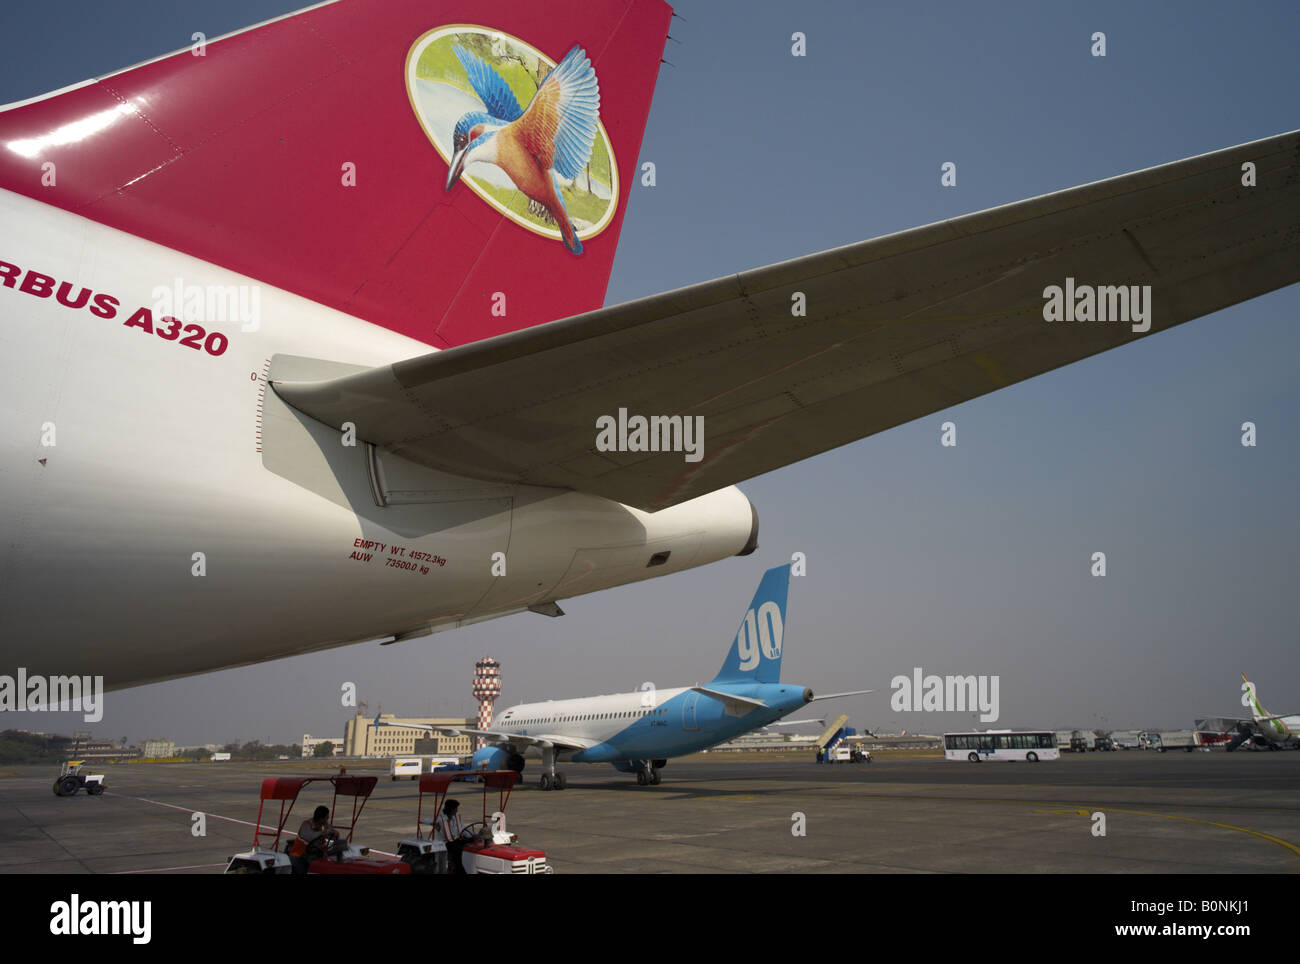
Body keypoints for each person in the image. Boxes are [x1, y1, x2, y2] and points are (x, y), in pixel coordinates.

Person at [289, 805, 338, 873]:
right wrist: (323, 832)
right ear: (320, 818)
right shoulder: (306, 824)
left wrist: (334, 833)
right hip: (299, 856)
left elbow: (330, 831)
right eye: (326, 817)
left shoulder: (324, 825)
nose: (327, 819)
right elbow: (309, 837)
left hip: (313, 857)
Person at [437, 798, 473, 874]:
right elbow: (450, 837)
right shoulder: (441, 820)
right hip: (446, 842)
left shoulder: (456, 818)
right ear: (451, 809)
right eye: (455, 808)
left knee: (471, 842)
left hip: (456, 840)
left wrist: (472, 836)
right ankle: (460, 869)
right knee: (458, 849)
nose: (457, 810)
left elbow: (463, 829)